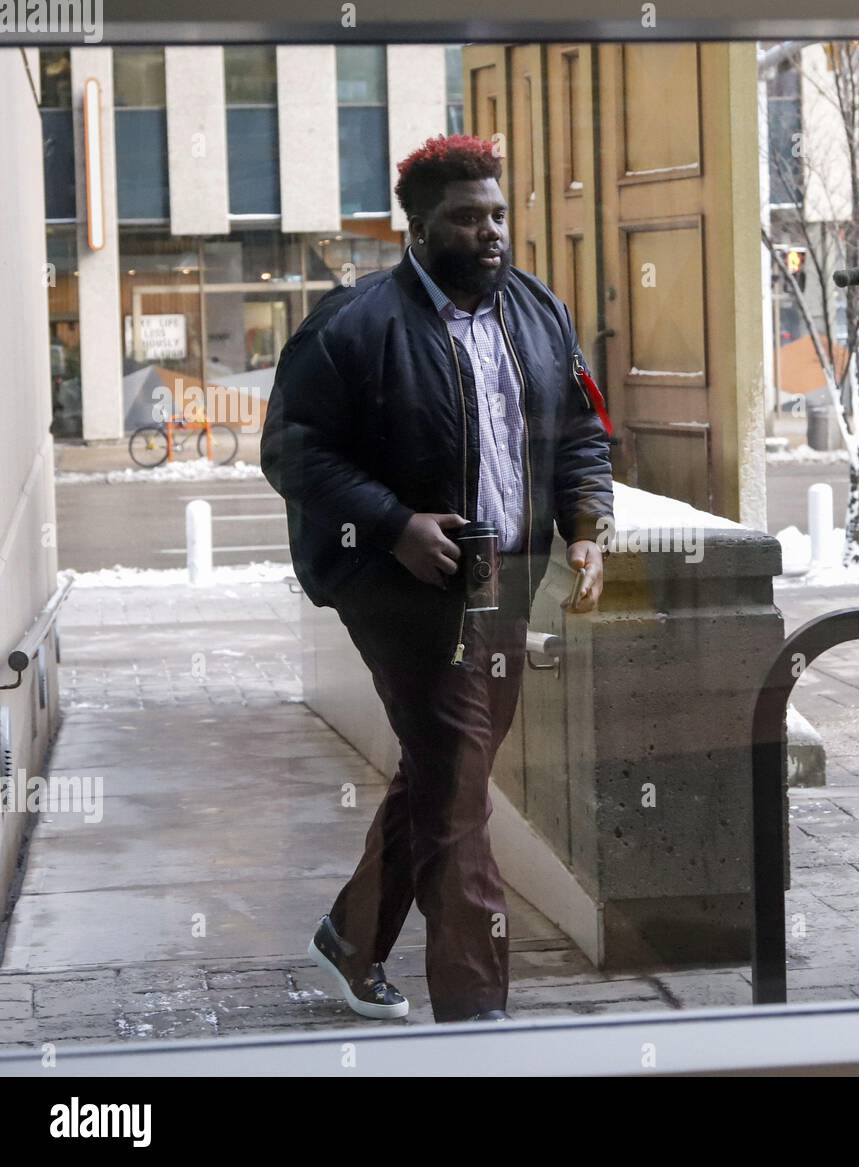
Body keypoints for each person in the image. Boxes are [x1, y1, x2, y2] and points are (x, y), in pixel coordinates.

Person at [261, 134, 614, 1022]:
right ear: (418, 228)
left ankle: (352, 936)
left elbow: (579, 433)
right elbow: (293, 451)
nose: (490, 232)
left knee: (440, 774)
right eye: (467, 217)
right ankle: (477, 1017)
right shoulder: (352, 325)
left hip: (506, 581)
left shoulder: (538, 311)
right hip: (395, 588)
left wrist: (589, 526)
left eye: (498, 214)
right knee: (458, 799)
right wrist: (394, 524)